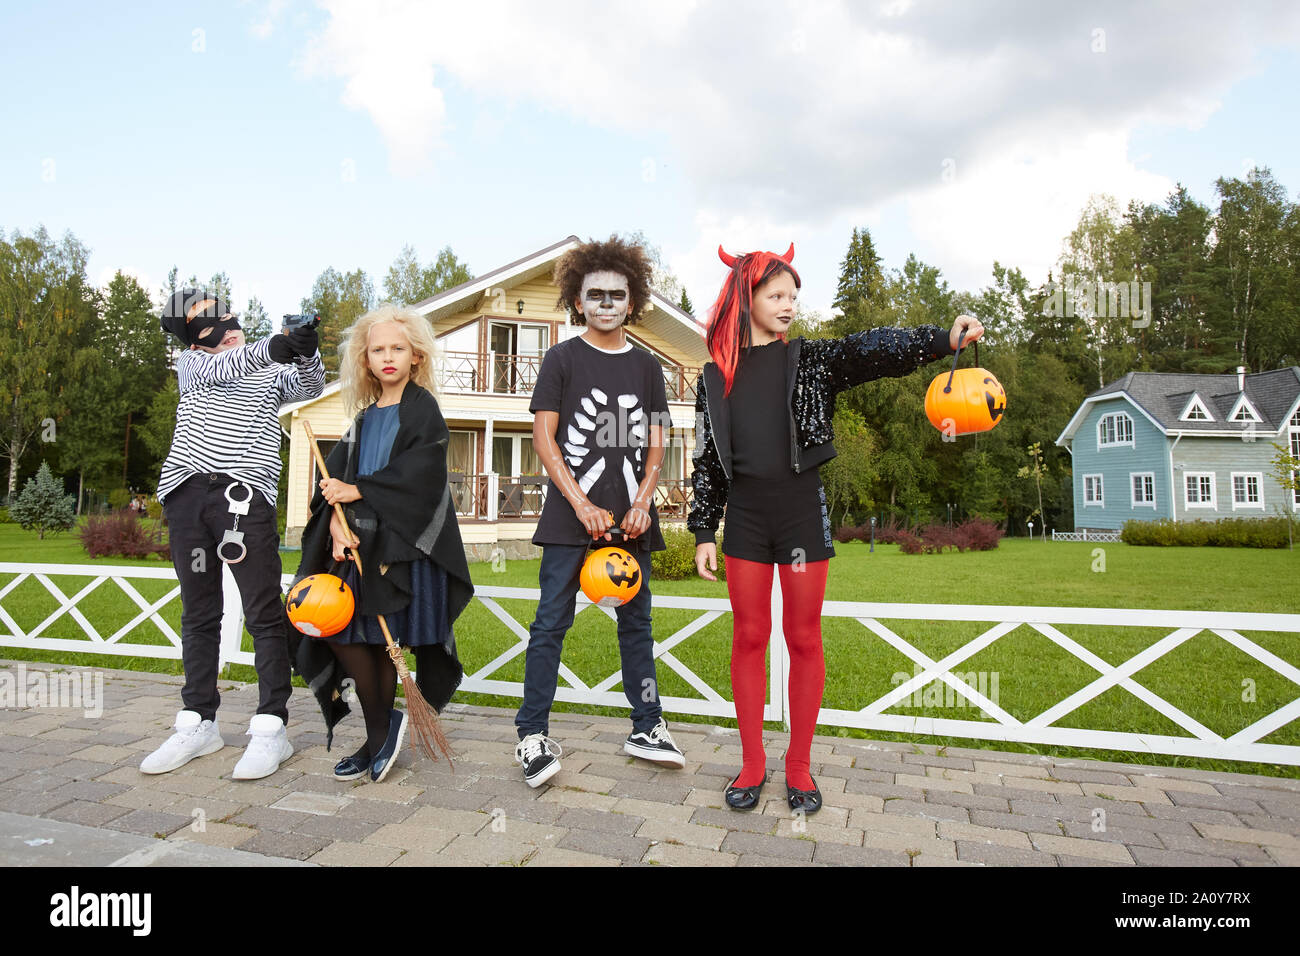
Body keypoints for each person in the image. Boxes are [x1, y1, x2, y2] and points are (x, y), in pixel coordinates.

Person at [688, 244, 983, 813]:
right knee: (748, 638)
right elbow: (706, 460)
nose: (788, 305)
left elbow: (871, 350)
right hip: (746, 519)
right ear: (744, 299)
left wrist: (942, 339)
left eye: (793, 296)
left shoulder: (811, 361)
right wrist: (704, 529)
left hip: (801, 514)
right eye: (776, 295)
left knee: (803, 638)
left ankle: (798, 767)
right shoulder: (713, 378)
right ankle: (753, 764)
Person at [514, 236, 685, 787]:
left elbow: (658, 441)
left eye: (618, 294)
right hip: (570, 514)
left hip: (633, 514)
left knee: (637, 623)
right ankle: (532, 734)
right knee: (549, 624)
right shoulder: (561, 359)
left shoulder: (648, 369)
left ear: (633, 301)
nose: (607, 302)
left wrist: (643, 502)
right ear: (578, 300)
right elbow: (545, 438)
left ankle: (647, 724)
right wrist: (581, 503)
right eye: (596, 294)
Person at [143, 288, 324, 780]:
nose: (225, 323)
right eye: (208, 321)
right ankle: (198, 722)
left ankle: (271, 728)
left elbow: (309, 386)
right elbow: (231, 366)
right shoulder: (192, 364)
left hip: (243, 499)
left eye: (225, 313)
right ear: (190, 336)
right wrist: (274, 346)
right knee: (199, 611)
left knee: (262, 610)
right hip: (186, 495)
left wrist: (305, 348)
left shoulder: (266, 369)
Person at [289, 304, 474, 784]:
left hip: (398, 549)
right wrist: (333, 520)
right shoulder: (365, 418)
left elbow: (423, 474)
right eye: (378, 350)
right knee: (344, 635)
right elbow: (335, 479)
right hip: (354, 546)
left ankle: (376, 739)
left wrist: (360, 491)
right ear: (364, 360)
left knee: (378, 640)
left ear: (415, 356)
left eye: (398, 348)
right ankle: (382, 728)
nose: (388, 356)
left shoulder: (423, 410)